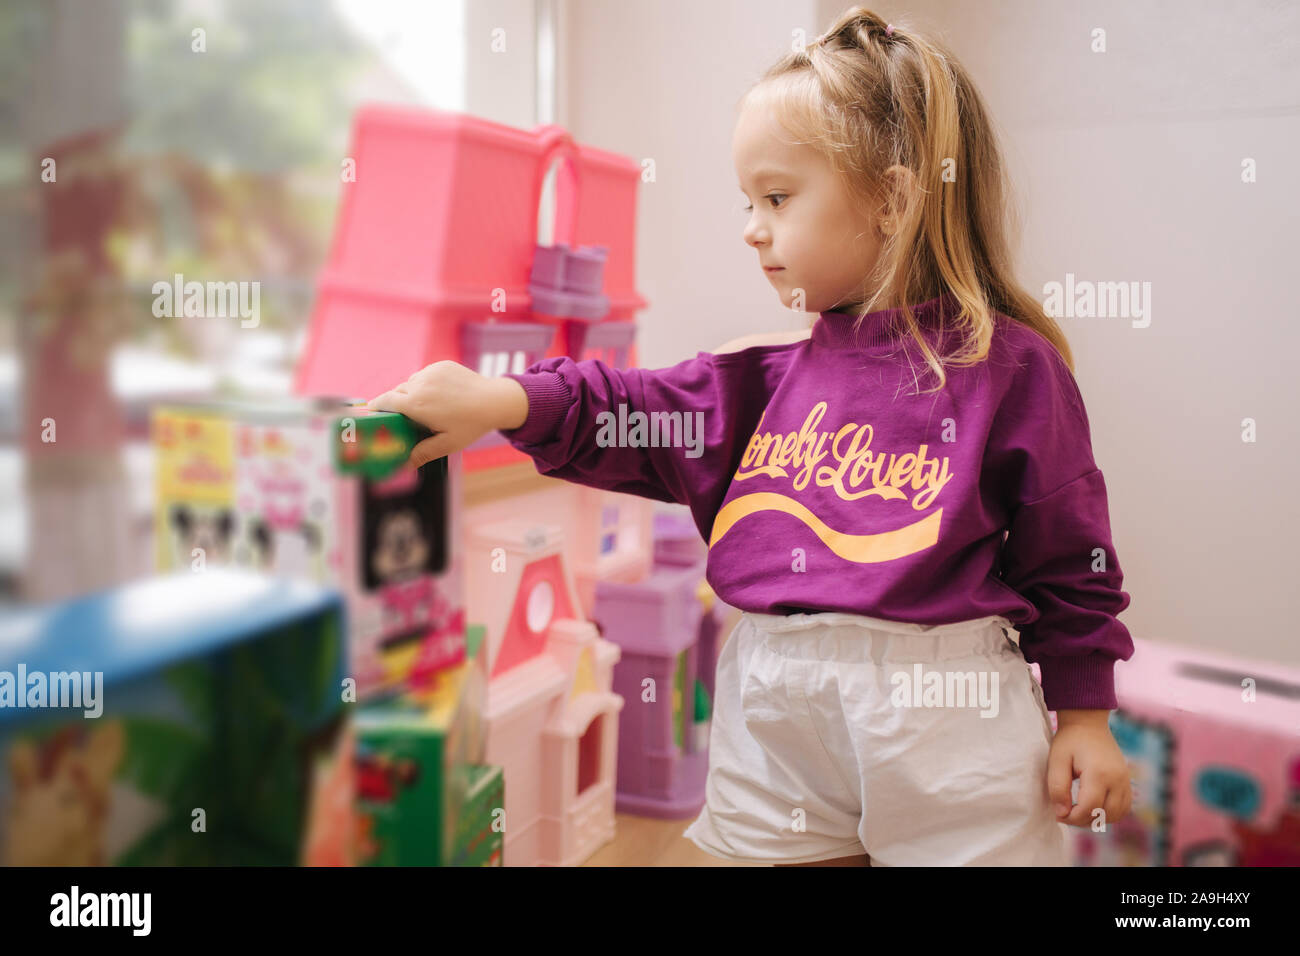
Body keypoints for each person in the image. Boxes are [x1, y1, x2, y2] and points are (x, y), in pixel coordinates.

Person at [368, 6, 1135, 866]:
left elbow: (1073, 561)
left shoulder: (1012, 370)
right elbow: (624, 407)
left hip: (946, 719)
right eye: (748, 200)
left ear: (892, 198)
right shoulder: (761, 380)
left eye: (776, 197)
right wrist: (498, 397)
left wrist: (1084, 715)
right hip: (773, 702)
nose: (751, 227)